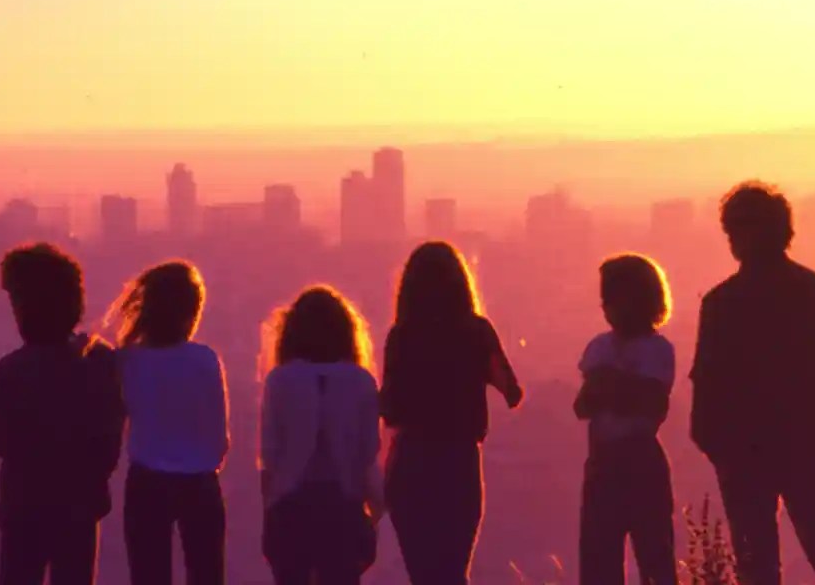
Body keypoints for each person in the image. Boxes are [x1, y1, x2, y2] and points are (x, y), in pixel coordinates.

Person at [691, 181, 815, 585]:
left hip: (751, 449)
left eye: (738, 231)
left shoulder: (722, 302)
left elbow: (706, 380)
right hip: (789, 446)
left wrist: (713, 440)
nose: (734, 240)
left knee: (761, 563)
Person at [0, 243, 125, 585]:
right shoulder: (101, 363)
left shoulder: (12, 370)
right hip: (81, 503)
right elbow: (110, 438)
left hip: (23, 505)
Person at [380, 241, 524, 585]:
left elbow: (389, 410)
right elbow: (512, 392)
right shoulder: (475, 331)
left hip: (411, 463)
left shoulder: (402, 335)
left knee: (423, 574)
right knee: (453, 572)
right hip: (458, 462)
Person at [111, 261, 229, 585]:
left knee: (148, 574)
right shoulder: (204, 358)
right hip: (200, 480)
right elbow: (219, 432)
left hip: (147, 480)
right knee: (207, 575)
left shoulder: (127, 360)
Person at [259, 286, 384, 585]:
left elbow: (270, 457)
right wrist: (375, 518)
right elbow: (368, 454)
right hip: (343, 509)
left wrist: (270, 514)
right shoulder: (361, 381)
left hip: (291, 508)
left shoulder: (280, 380)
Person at [575, 254, 677, 585]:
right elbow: (585, 404)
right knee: (598, 562)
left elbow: (651, 404)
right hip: (603, 463)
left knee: (654, 560)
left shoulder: (657, 349)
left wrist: (609, 385)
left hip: (638, 461)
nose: (609, 308)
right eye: (606, 300)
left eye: (617, 299)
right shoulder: (600, 346)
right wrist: (623, 390)